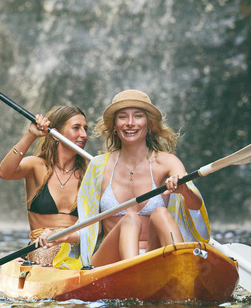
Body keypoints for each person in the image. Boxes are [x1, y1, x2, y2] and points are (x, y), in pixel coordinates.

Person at [76, 90, 210, 267]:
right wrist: (55, 236)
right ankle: (134, 270)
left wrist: (184, 190)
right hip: (110, 262)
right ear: (114, 126)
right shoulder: (98, 167)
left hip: (153, 254)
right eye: (123, 117)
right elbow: (88, 226)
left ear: (150, 124)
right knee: (130, 219)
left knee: (161, 213)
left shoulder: (168, 162)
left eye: (138, 116)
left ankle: (182, 267)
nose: (130, 123)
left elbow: (195, 205)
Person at [0, 104, 89, 262]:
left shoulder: (90, 173)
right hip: (42, 247)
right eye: (76, 128)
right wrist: (31, 134)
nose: (84, 134)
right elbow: (4, 172)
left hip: (77, 246)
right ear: (56, 134)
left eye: (85, 128)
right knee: (49, 251)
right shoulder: (36, 165)